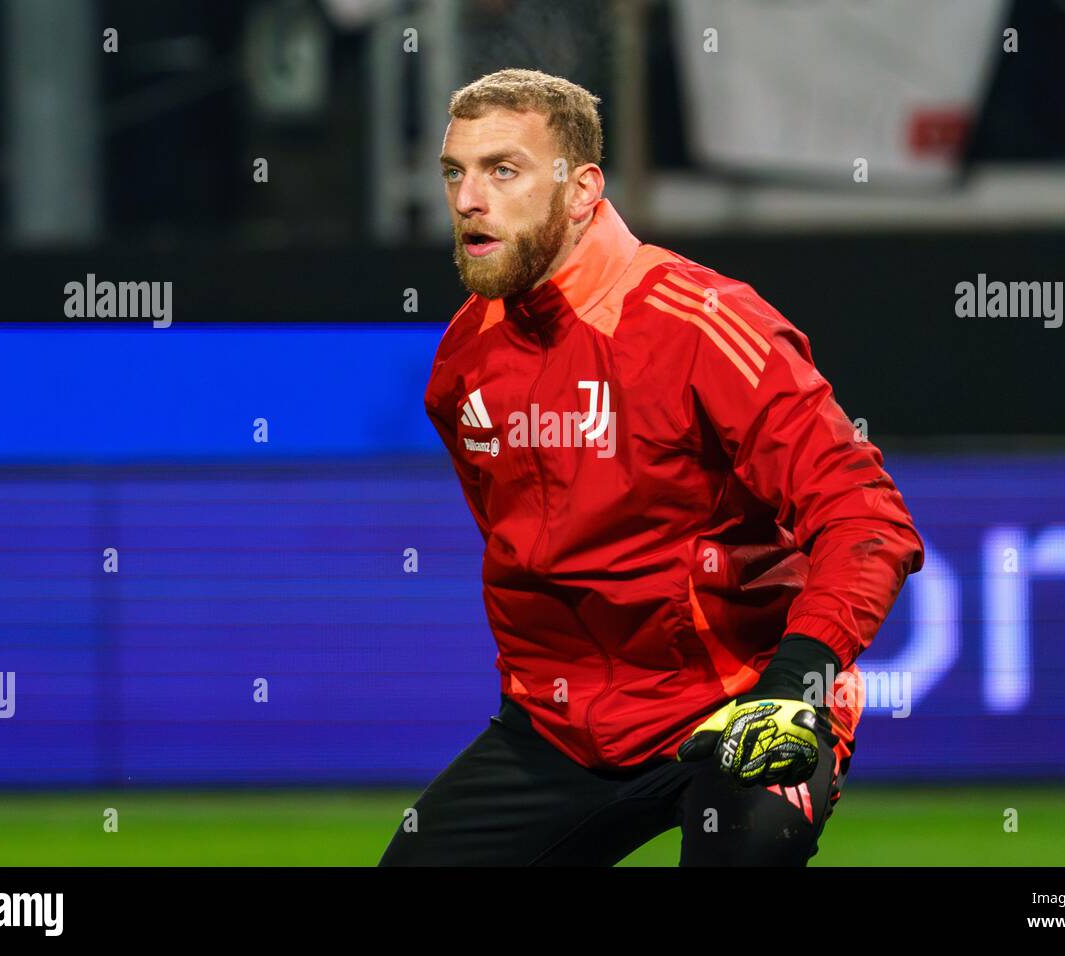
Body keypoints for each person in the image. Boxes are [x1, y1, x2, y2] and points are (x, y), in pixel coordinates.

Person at [379, 68, 925, 866]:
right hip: (557, 732)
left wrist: (796, 682)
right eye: (454, 172)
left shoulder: (704, 325)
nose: (467, 199)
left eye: (503, 170)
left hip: (739, 708)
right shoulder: (464, 361)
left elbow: (867, 515)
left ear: (581, 189)